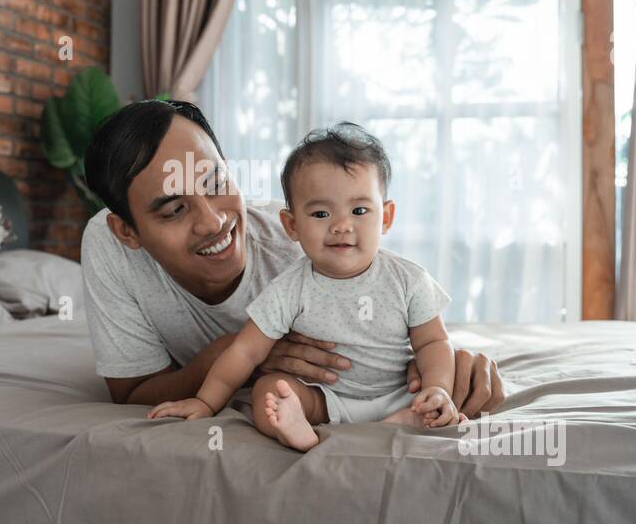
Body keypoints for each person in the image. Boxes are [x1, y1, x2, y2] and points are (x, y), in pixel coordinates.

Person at [79, 99, 505, 416]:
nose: (213, 221)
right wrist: (237, 355)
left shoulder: (303, 247)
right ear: (127, 230)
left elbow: (404, 318)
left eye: (215, 182)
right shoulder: (108, 244)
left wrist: (442, 372)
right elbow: (130, 393)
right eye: (175, 209)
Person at [147, 122, 464, 451]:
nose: (341, 226)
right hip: (327, 401)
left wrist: (437, 387)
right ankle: (295, 427)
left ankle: (413, 415)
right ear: (292, 225)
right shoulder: (289, 289)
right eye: (321, 213)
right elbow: (245, 351)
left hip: (400, 392)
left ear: (385, 217)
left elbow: (433, 343)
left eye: (359, 210)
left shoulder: (408, 279)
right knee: (270, 391)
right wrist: (206, 402)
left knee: (437, 388)